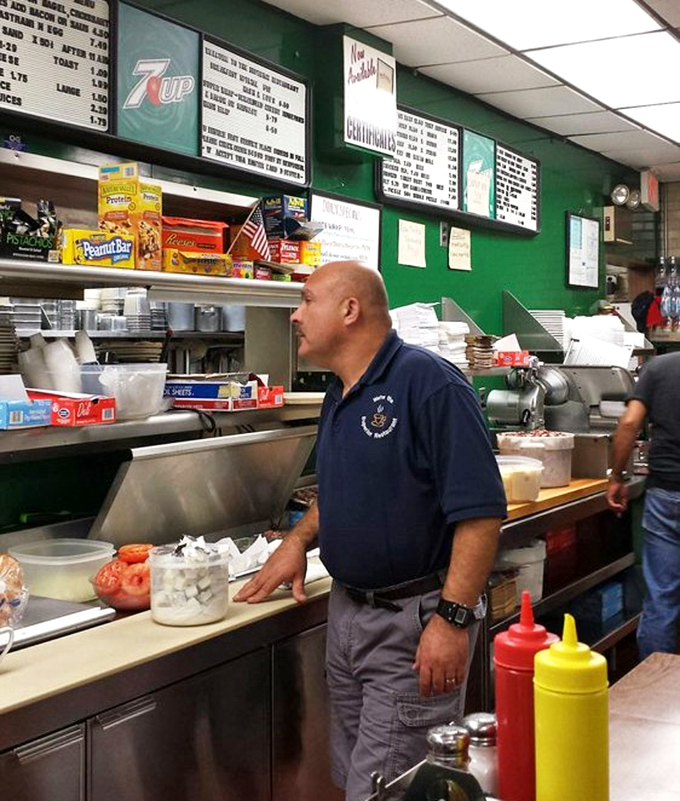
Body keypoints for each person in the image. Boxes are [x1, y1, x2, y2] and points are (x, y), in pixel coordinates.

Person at [235, 261, 506, 801]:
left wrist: (452, 621)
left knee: (388, 790)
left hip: (412, 623)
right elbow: (340, 490)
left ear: (349, 310)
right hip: (349, 615)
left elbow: (480, 513)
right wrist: (295, 541)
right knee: (359, 778)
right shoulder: (341, 391)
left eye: (307, 300)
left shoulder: (430, 385)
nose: (295, 315)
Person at [607, 351, 680, 660]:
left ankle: (653, 695)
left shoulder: (660, 367)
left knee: (661, 600)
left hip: (666, 495)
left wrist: (618, 477)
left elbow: (629, 423)